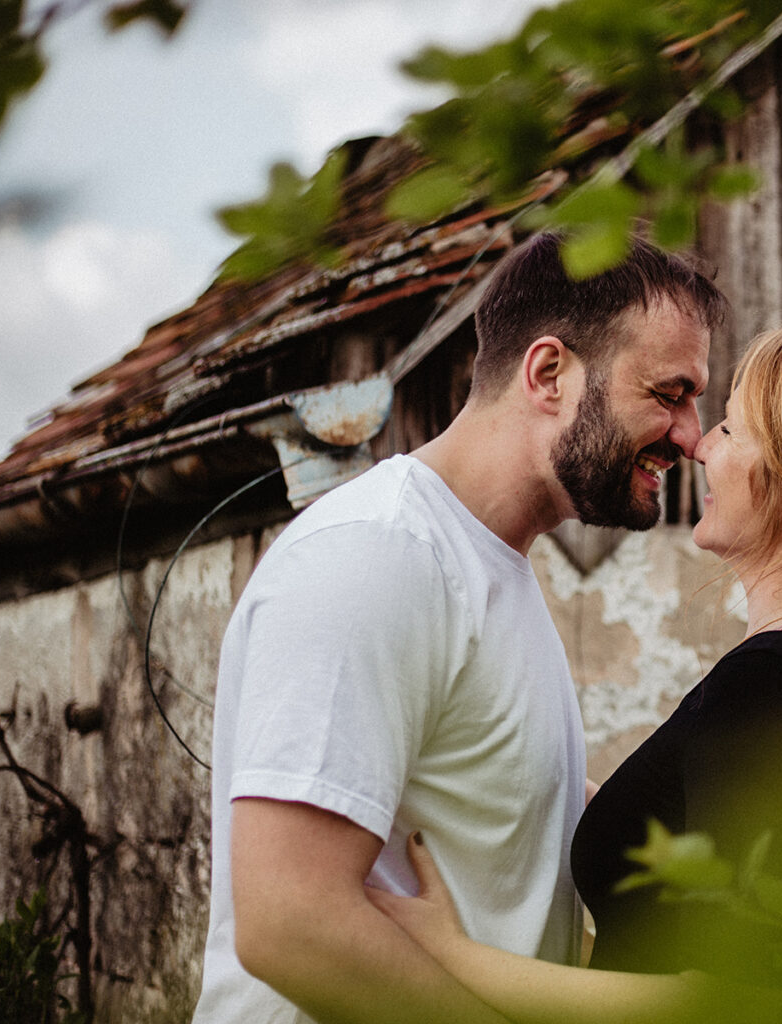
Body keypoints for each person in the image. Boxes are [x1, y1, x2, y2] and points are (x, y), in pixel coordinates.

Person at [369, 307, 782, 1023]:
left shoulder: (768, 694)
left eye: (733, 427)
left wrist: (457, 956)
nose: (702, 446)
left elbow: (728, 1002)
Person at [192, 231, 726, 1024]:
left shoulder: (489, 569)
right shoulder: (377, 554)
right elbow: (289, 926)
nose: (691, 435)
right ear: (549, 374)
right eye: (669, 393)